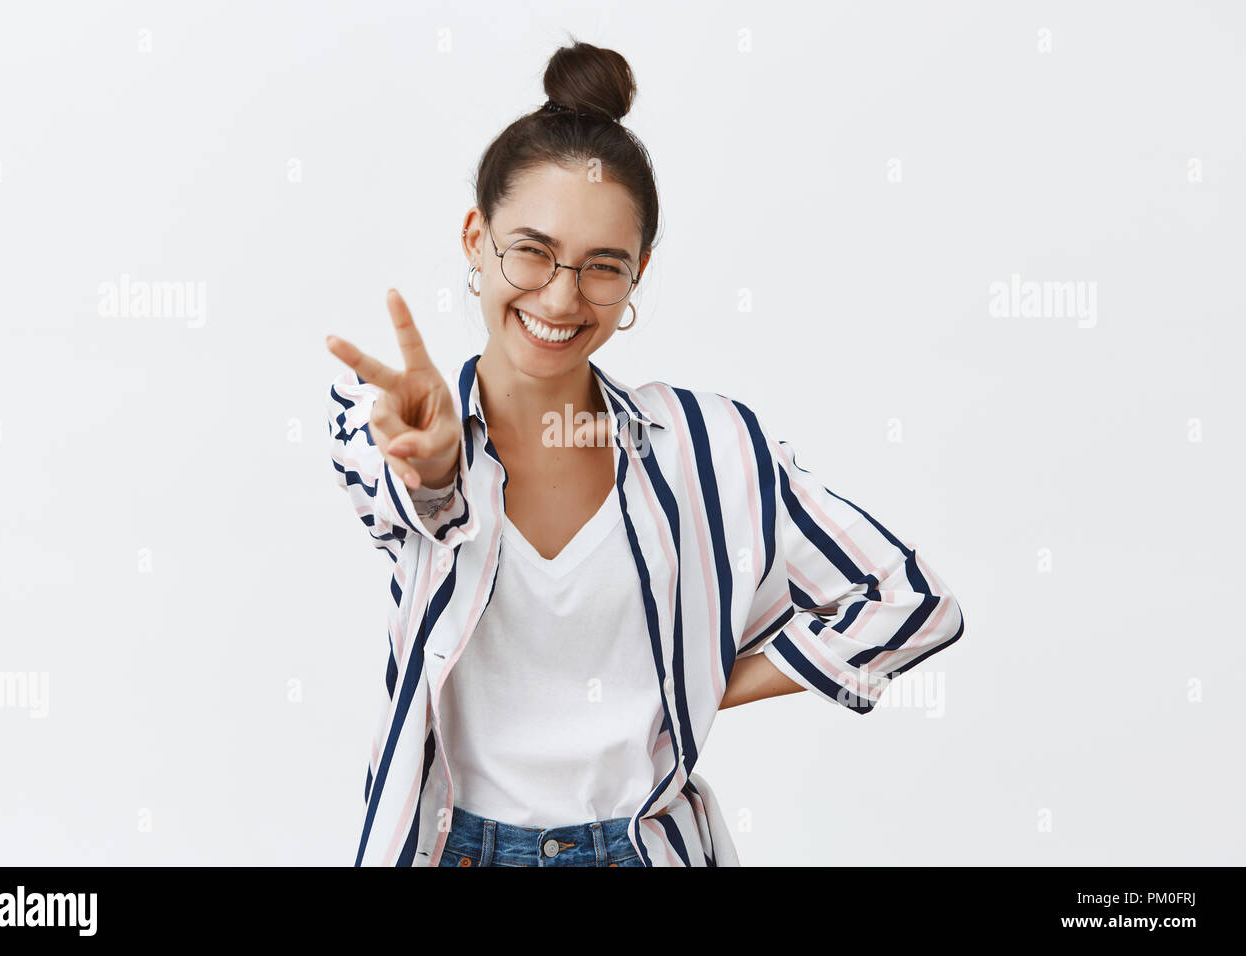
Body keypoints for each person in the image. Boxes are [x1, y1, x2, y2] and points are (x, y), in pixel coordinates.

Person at [325, 39, 965, 867]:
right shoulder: (386, 413)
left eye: (603, 267)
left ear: (640, 274)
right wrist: (440, 464)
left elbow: (913, 603)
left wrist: (691, 681)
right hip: (454, 849)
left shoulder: (708, 448)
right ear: (475, 238)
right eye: (530, 250)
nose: (561, 296)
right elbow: (412, 499)